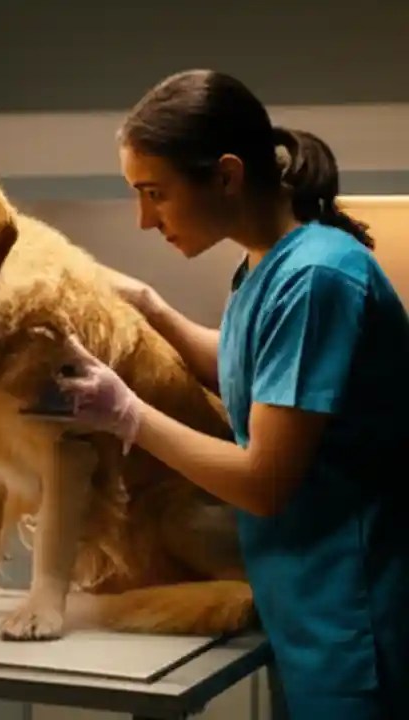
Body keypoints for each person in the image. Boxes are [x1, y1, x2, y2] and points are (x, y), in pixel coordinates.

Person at [52, 68, 409, 719]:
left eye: (154, 193)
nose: (142, 219)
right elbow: (250, 372)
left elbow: (263, 481)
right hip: (304, 611)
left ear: (225, 175)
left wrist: (126, 414)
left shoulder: (319, 277)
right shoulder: (263, 266)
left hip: (358, 621)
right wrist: (149, 306)